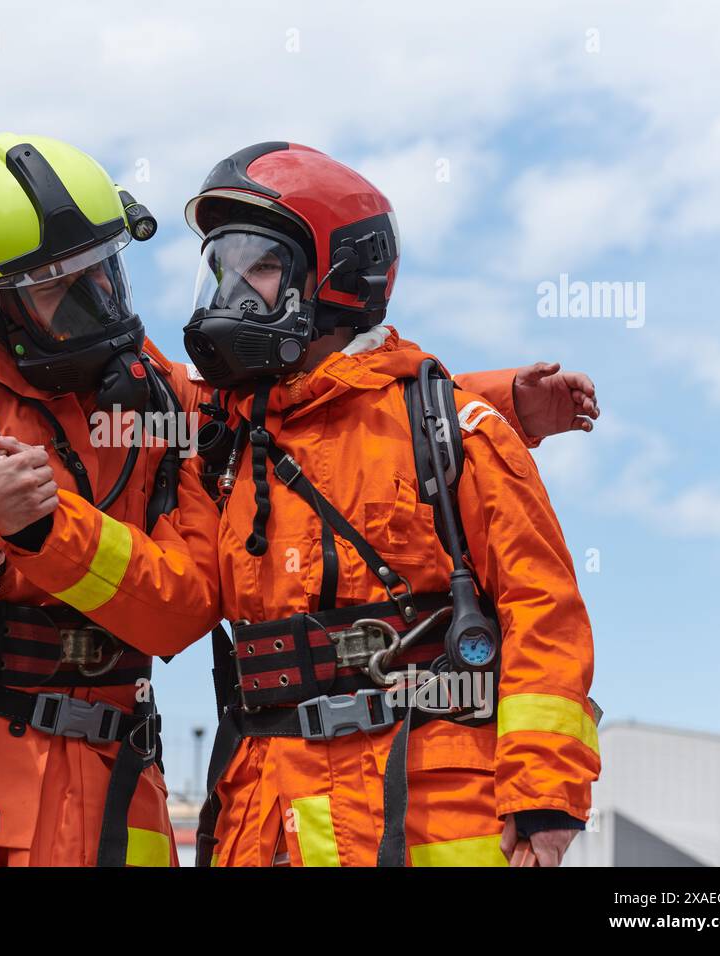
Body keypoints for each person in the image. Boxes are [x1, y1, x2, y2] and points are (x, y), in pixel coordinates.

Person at [0, 133, 595, 867]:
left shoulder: (161, 403)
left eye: (106, 272)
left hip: (128, 794)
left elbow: (326, 413)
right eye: (65, 292)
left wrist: (491, 405)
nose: (104, 306)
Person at [182, 142, 600, 867]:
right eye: (223, 270)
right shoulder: (226, 435)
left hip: (428, 819)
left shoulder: (454, 433)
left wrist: (544, 798)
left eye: (263, 268)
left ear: (340, 279)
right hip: (264, 815)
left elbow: (544, 611)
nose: (234, 294)